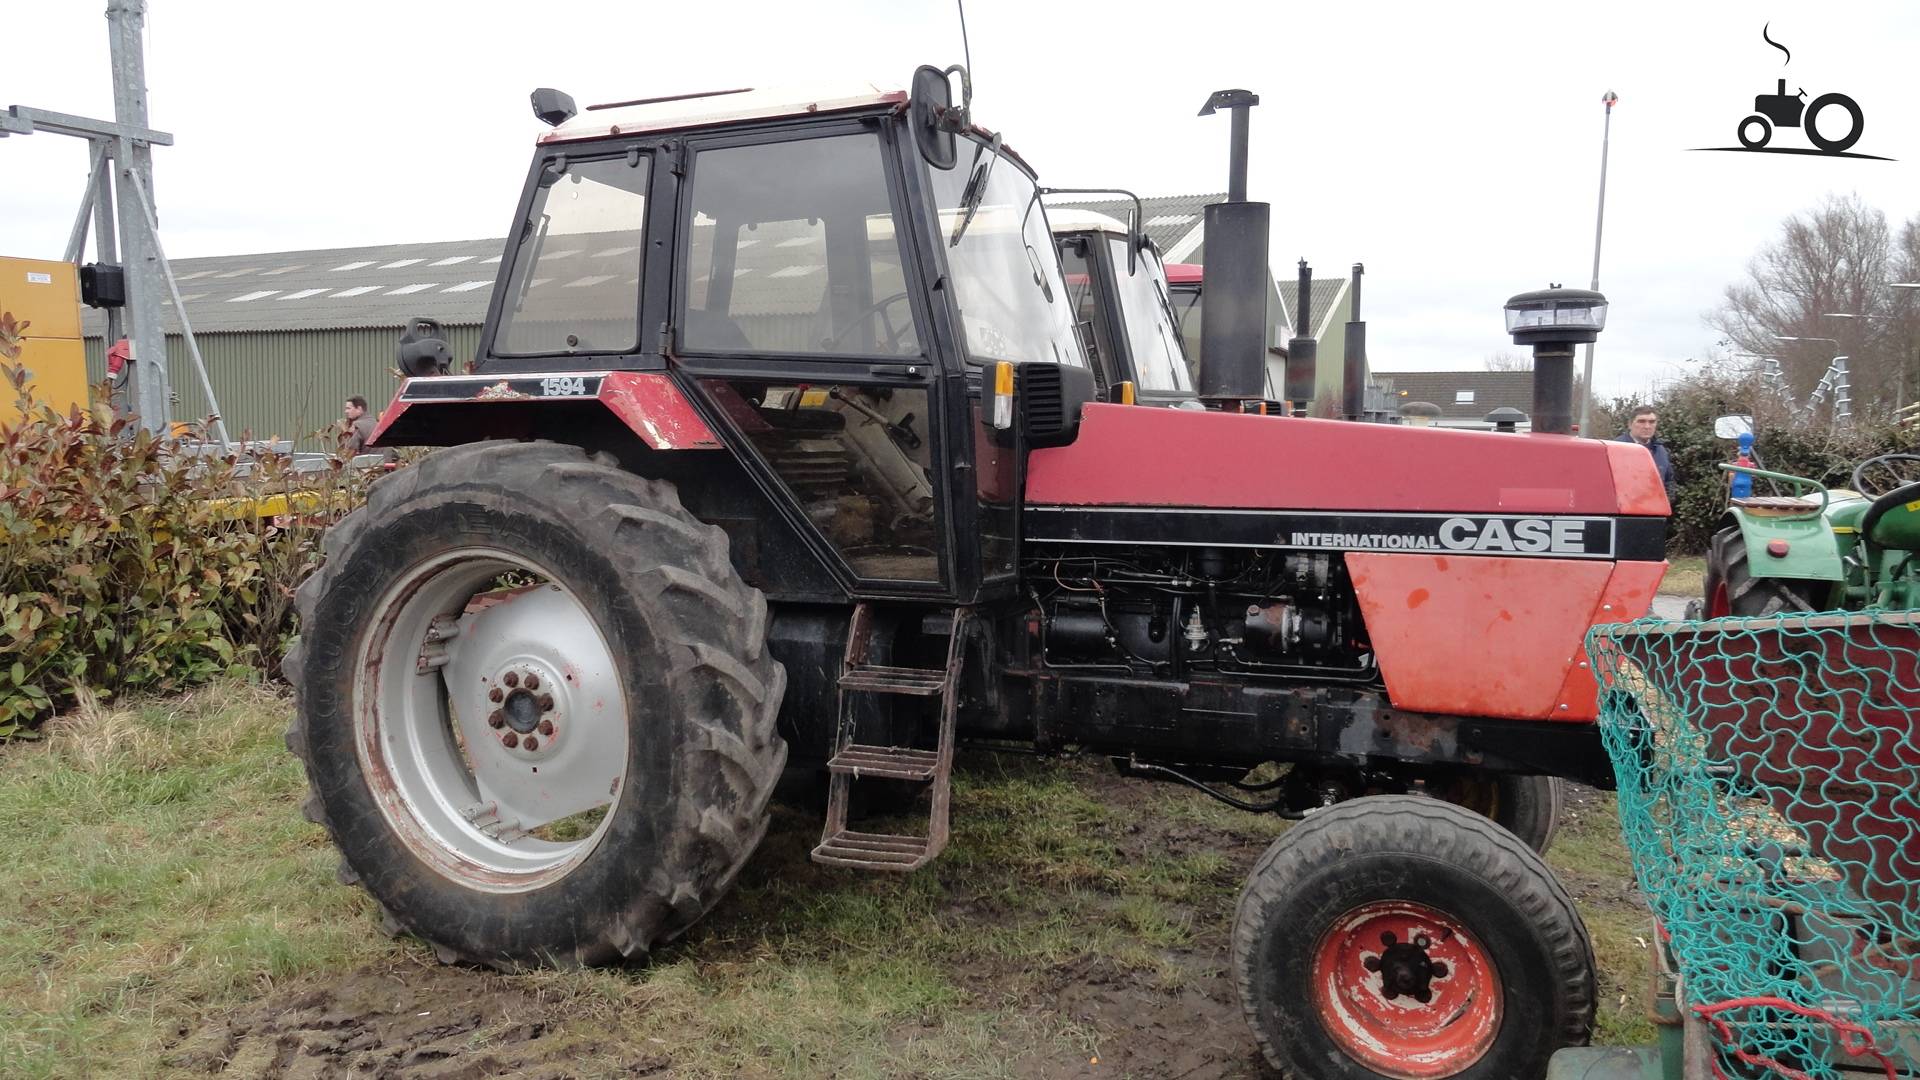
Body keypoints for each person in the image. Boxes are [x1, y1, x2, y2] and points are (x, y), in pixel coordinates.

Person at [1616, 405, 1676, 504]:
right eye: (1641, 421)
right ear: (1630, 424)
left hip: (1654, 513)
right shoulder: (1616, 448)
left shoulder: (1661, 451)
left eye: (1652, 422)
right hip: (1624, 513)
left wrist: (1665, 502)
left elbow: (1669, 481)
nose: (1647, 426)